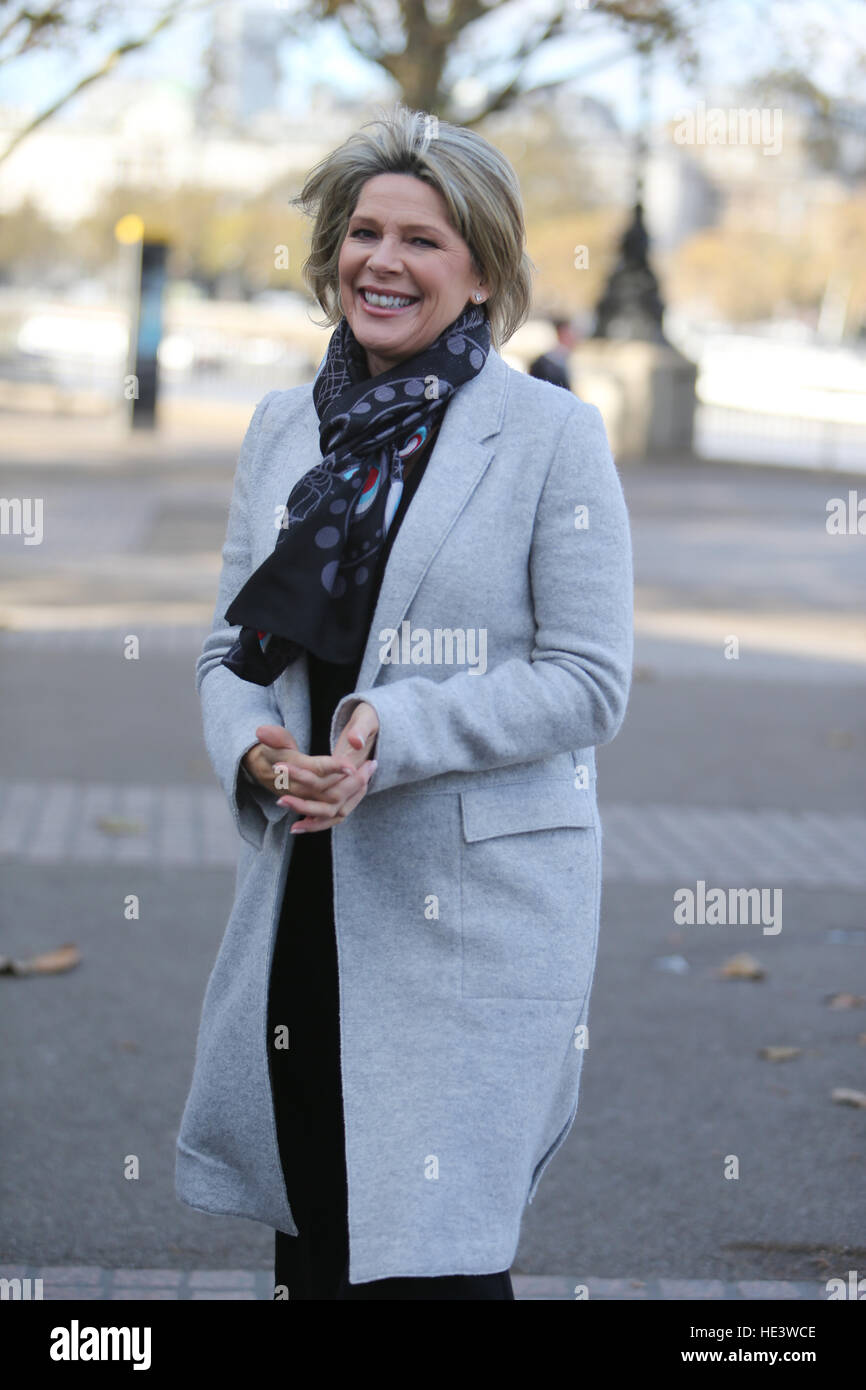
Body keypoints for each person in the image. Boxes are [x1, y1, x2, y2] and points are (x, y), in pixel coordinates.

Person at [175, 102, 633, 1301]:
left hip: (469, 905)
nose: (383, 261)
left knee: (435, 1256)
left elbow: (590, 681)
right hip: (306, 880)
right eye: (363, 232)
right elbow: (228, 650)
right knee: (316, 1227)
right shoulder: (284, 426)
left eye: (422, 240)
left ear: (480, 268)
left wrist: (394, 725)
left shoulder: (549, 436)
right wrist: (260, 756)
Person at [528, 316, 578, 390]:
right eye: (570, 333)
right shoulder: (544, 363)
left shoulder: (566, 359)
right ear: (562, 333)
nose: (574, 337)